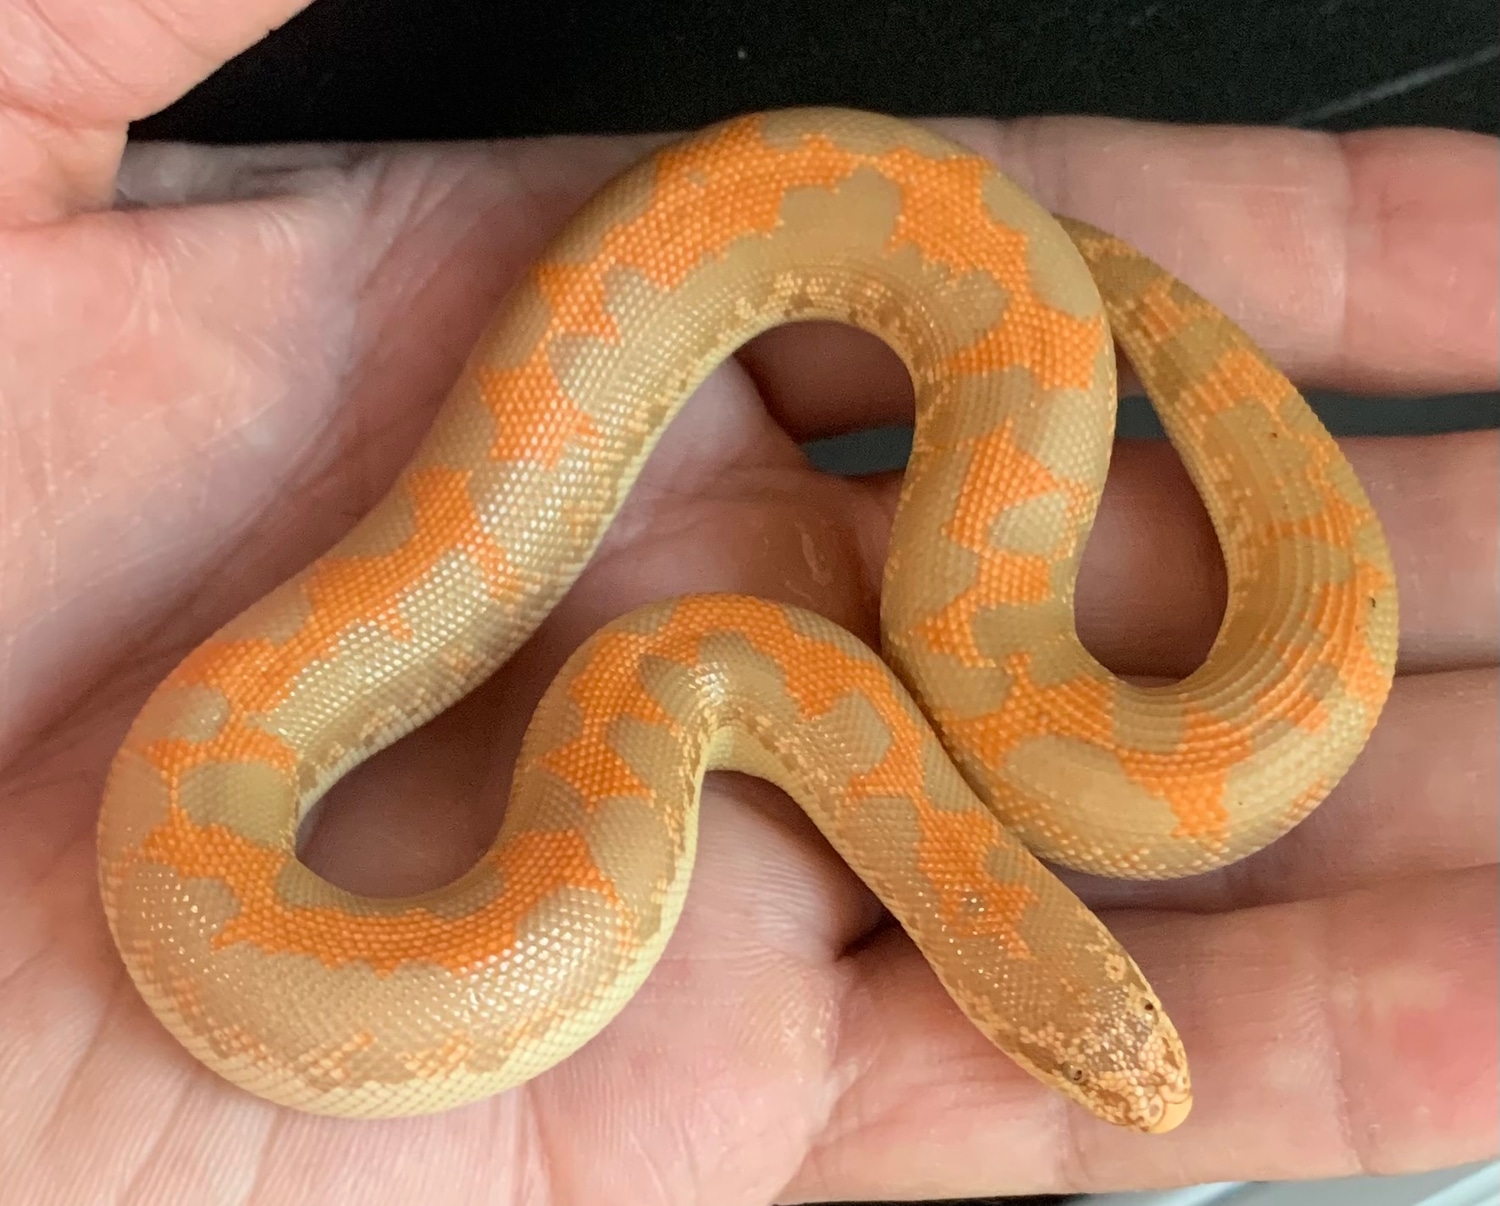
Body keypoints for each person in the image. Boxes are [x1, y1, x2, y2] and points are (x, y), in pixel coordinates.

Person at [1, 2, 1495, 1202]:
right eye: (1109, 1058)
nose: (1139, 1085)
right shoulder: (756, 710)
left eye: (1103, 1061)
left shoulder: (808, 716)